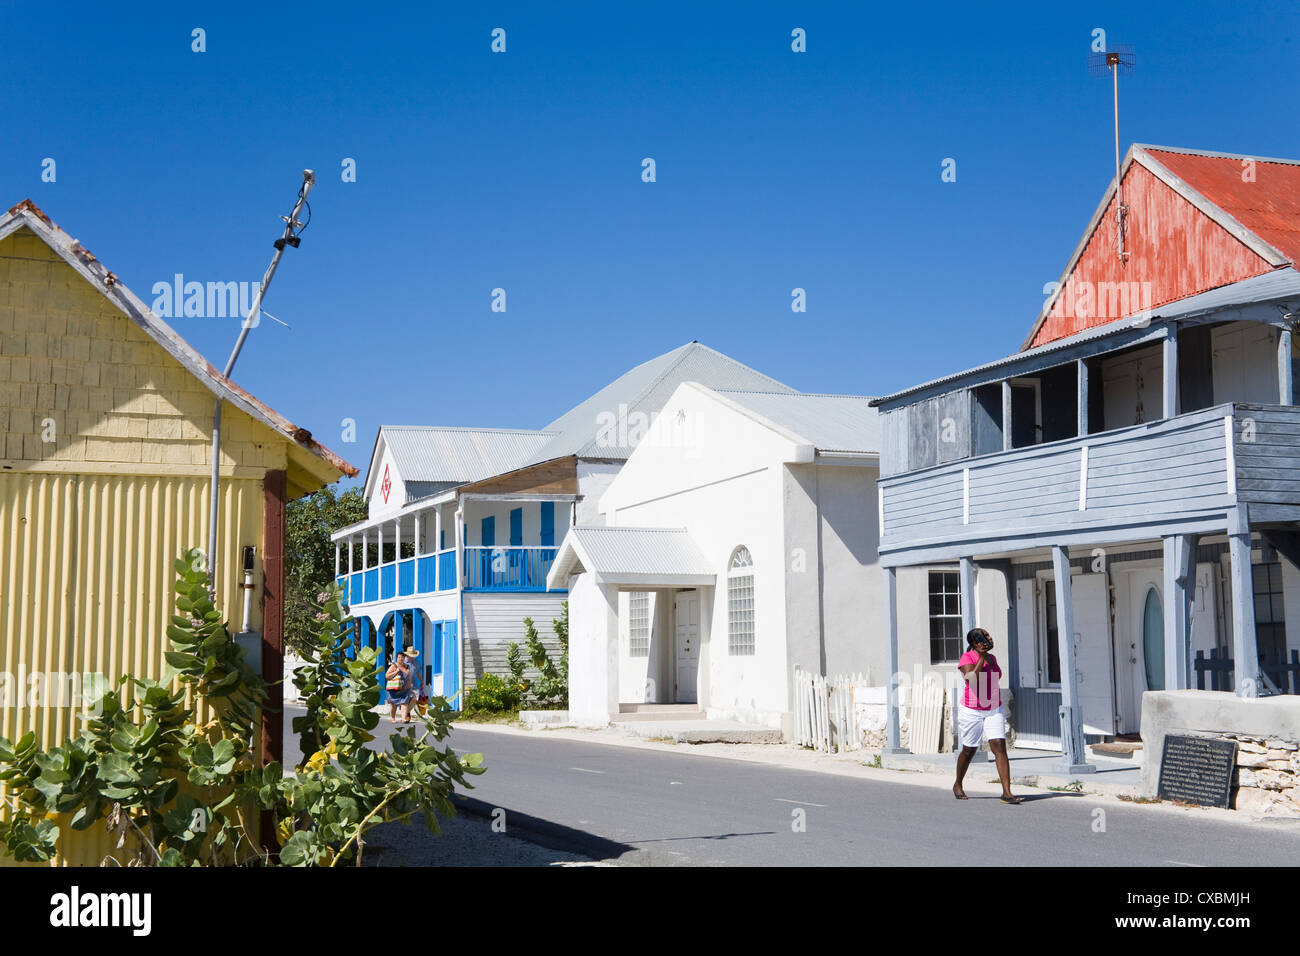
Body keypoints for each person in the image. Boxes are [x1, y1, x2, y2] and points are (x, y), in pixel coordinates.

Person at [953, 627, 1021, 804]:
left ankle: (1007, 792)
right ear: (976, 643)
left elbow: (995, 677)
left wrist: (986, 658)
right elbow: (971, 679)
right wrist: (981, 658)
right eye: (986, 636)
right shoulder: (967, 658)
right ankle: (958, 784)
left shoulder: (993, 658)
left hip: (993, 708)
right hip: (972, 710)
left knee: (999, 745)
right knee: (969, 750)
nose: (990, 638)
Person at [385, 651, 413, 723]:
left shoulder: (407, 666)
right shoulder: (394, 666)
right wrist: (396, 672)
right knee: (393, 704)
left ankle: (403, 718)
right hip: (394, 688)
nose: (400, 659)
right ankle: (392, 718)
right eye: (399, 657)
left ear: (404, 658)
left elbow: (409, 677)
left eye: (402, 657)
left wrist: (409, 686)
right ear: (397, 658)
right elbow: (387, 676)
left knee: (404, 703)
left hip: (405, 688)